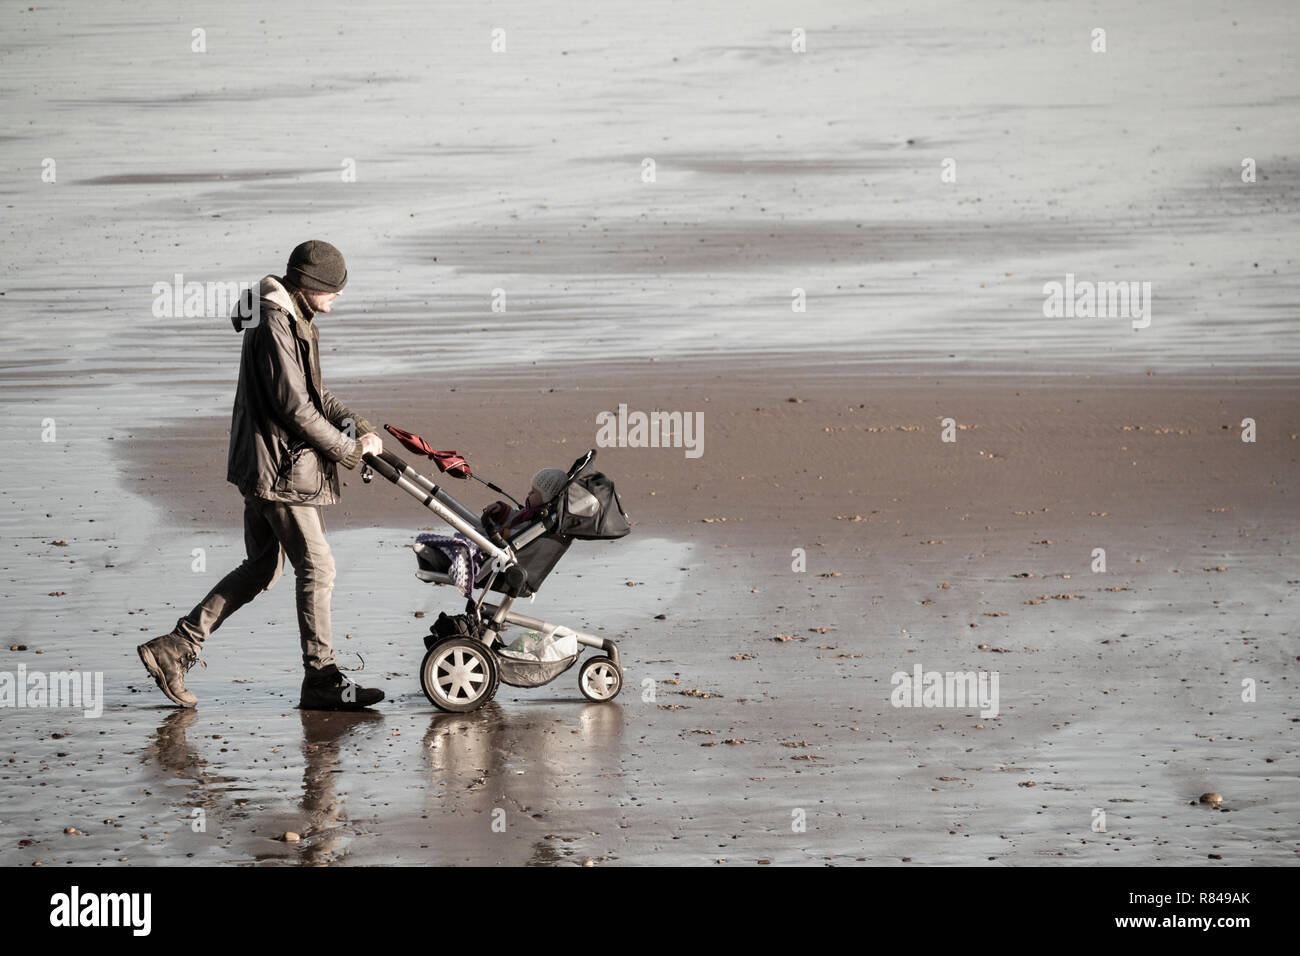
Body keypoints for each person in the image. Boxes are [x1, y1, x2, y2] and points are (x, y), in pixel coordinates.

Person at [138, 240, 386, 711]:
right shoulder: (274, 323)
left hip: (268, 462)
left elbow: (315, 392)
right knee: (318, 567)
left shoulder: (293, 316)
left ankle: (176, 648)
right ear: (310, 285)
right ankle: (322, 679)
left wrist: (357, 426)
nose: (338, 298)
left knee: (263, 566)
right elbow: (295, 408)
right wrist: (347, 451)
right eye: (333, 290)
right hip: (279, 467)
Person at [480, 467, 569, 539]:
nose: (529, 493)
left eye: (534, 492)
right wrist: (503, 511)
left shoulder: (538, 522)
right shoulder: (531, 512)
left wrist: (501, 534)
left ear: (546, 499)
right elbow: (517, 519)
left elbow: (518, 534)